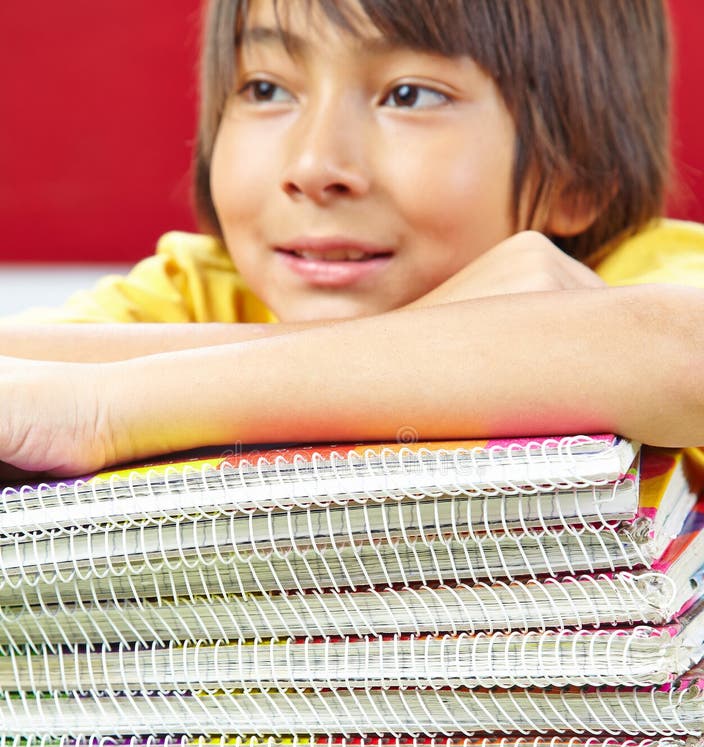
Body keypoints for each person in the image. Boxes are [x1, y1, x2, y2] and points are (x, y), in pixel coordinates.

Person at [1, 0, 702, 478]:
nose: (313, 168)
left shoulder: (640, 274)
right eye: (267, 88)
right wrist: (443, 336)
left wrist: (108, 409)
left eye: (409, 95)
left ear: (578, 179)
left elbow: (680, 348)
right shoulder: (203, 288)